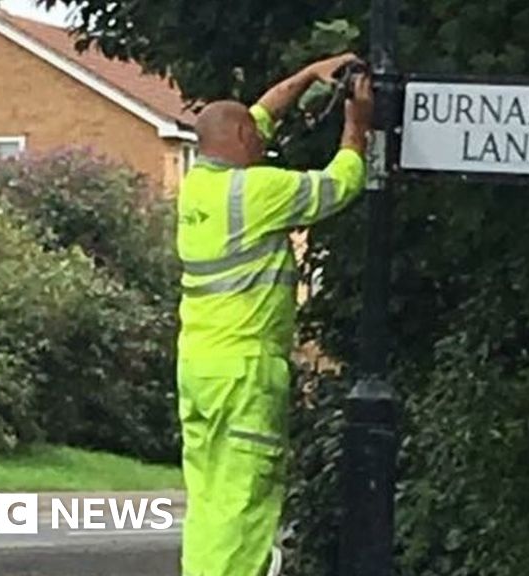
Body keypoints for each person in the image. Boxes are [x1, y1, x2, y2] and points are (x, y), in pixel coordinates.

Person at [175, 53, 374, 576]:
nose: (264, 143)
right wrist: (357, 122)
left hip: (199, 370)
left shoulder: (197, 186)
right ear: (242, 139)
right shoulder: (256, 190)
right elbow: (340, 183)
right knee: (244, 500)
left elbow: (258, 115)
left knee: (210, 498)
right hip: (245, 373)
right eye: (256, 138)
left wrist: (310, 75)